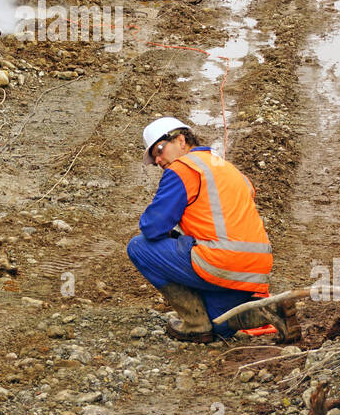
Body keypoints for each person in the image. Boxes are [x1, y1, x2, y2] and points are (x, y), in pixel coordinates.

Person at [126, 116, 300, 344]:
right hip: (255, 271)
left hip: (221, 263)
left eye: (159, 149)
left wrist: (176, 236)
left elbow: (152, 227)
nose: (158, 160)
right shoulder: (228, 169)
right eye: (153, 158)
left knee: (139, 247)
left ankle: (194, 324)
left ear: (180, 140)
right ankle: (272, 311)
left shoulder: (184, 168)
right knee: (219, 323)